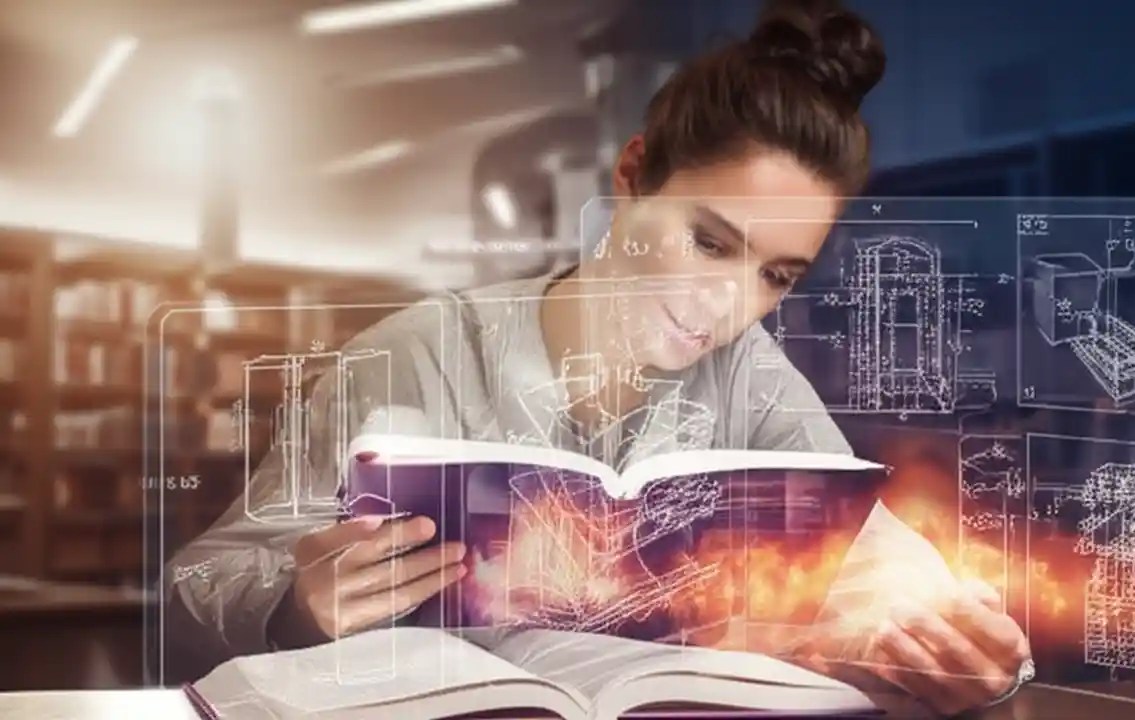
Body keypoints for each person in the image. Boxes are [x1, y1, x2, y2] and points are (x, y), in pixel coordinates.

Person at [165, 1, 1032, 714]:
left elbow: (883, 573)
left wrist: (970, 648)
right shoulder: (418, 353)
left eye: (774, 274)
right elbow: (194, 590)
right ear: (633, 174)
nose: (725, 305)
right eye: (706, 240)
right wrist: (294, 605)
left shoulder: (752, 377)